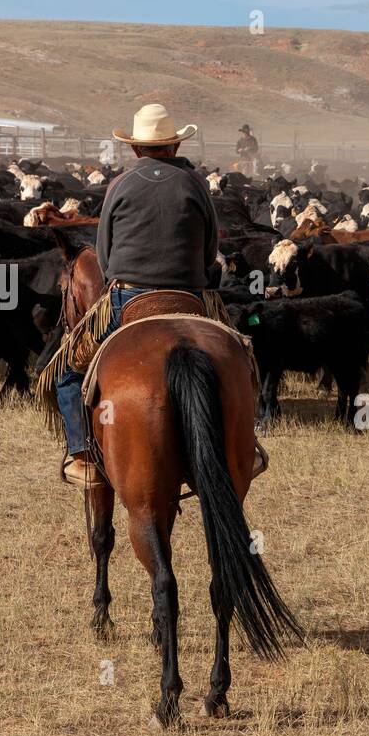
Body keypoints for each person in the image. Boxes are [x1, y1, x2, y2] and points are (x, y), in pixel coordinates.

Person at [55, 103, 217, 486]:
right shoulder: (196, 184)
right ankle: (245, 446)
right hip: (190, 298)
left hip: (128, 298)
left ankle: (83, 457)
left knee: (67, 372)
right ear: (175, 146)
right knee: (242, 360)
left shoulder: (120, 184)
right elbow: (210, 251)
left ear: (134, 148)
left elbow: (106, 257)